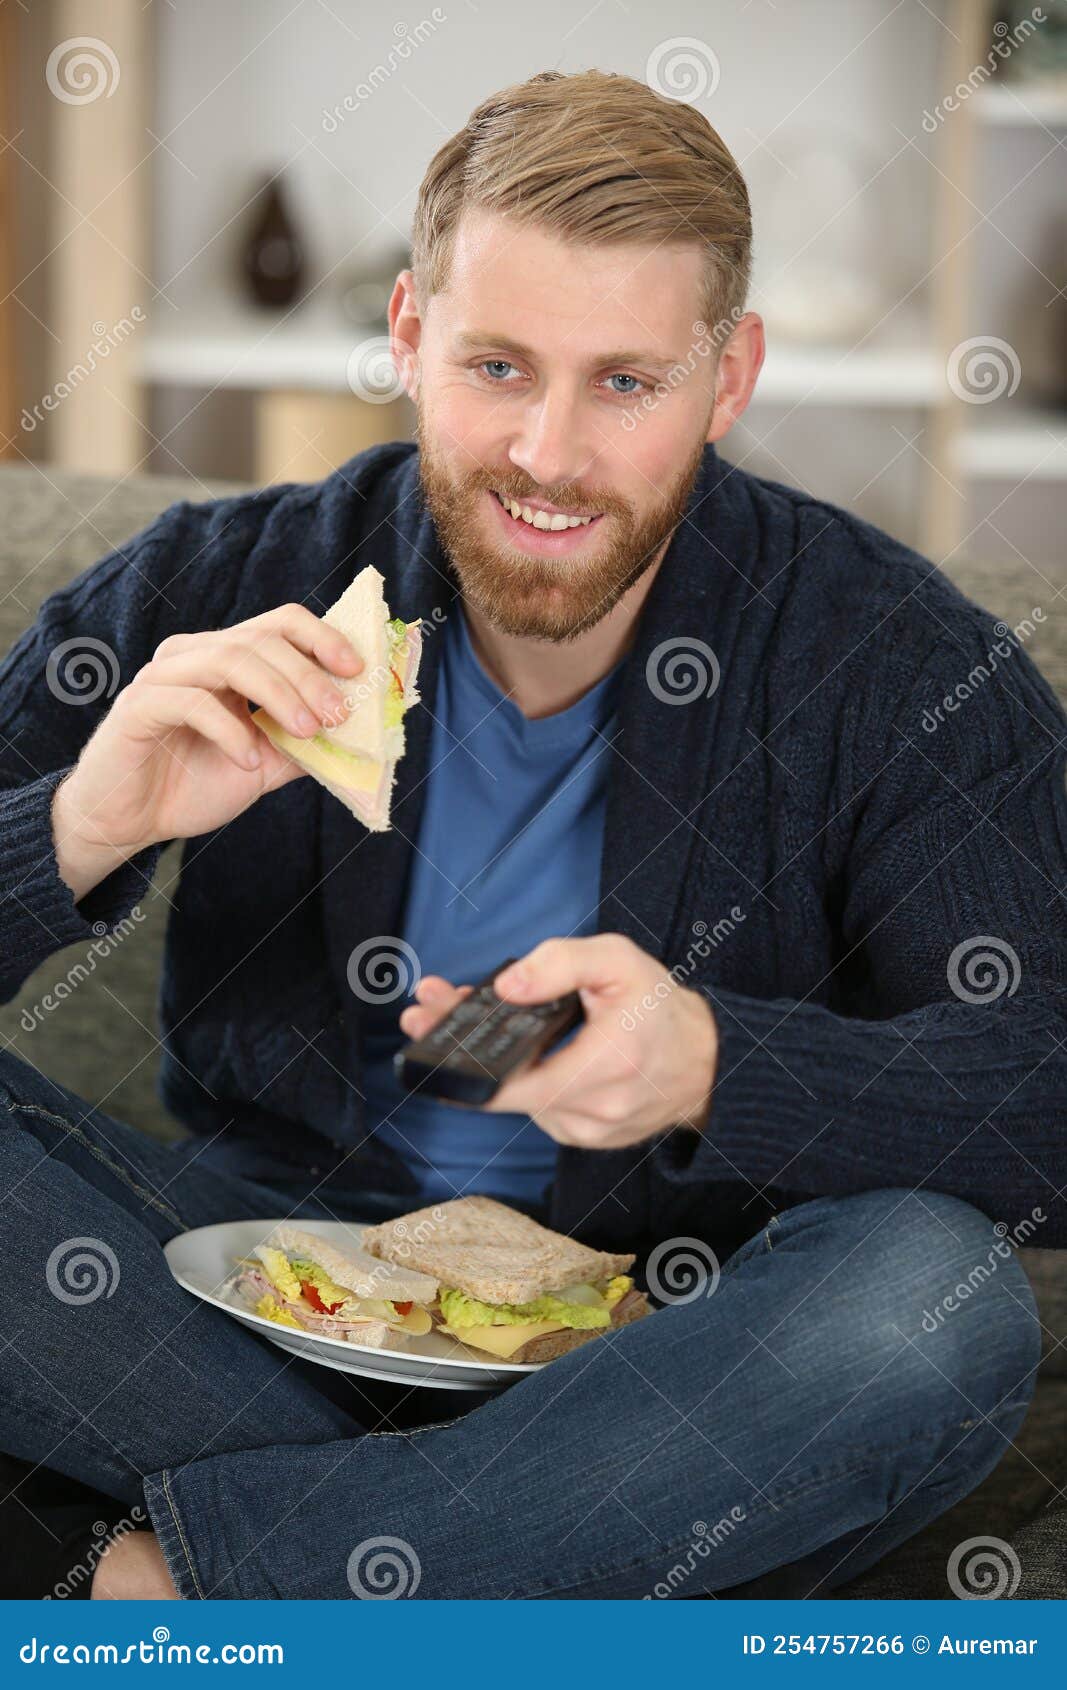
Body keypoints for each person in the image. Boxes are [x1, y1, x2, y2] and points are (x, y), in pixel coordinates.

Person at [0, 70, 1062, 1602]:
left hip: (665, 1357)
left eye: (625, 383)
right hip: (250, 1283)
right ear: (410, 333)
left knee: (936, 1303)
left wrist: (711, 1065)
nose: (549, 457)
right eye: (498, 364)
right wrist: (84, 824)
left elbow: (1047, 1082)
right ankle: (497, 1557)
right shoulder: (220, 582)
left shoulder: (894, 664)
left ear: (730, 374)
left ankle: (167, 1582)